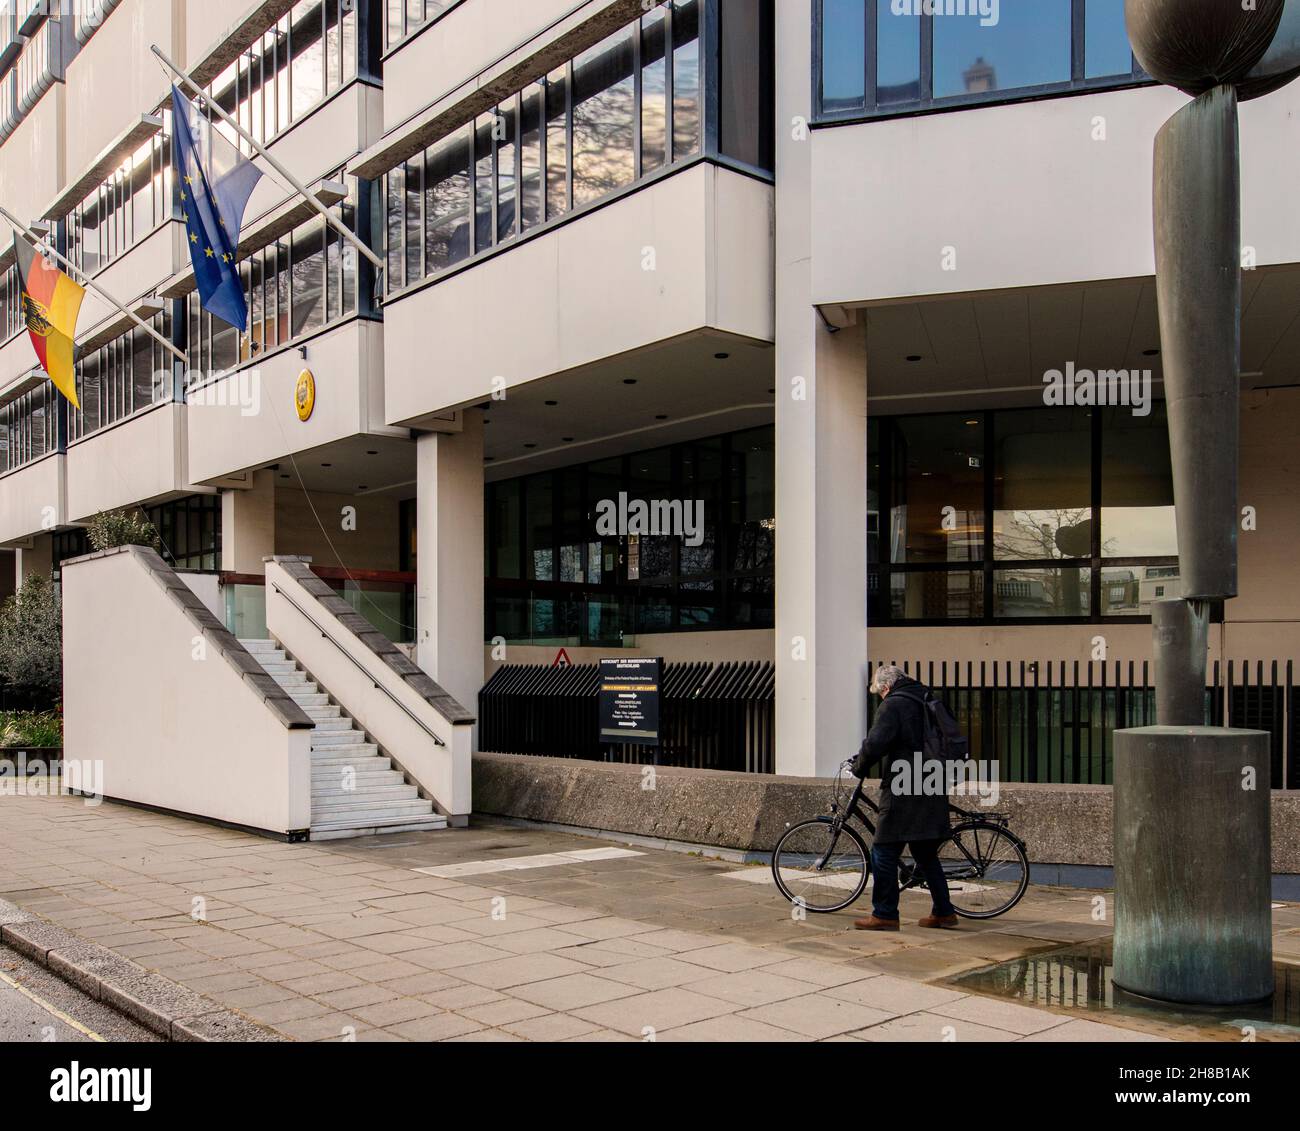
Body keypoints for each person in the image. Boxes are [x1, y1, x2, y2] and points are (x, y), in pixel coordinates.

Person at [850, 665, 958, 931]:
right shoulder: (928, 698)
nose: (881, 698)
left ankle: (885, 914)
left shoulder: (894, 704)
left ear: (885, 687)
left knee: (883, 851)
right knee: (925, 852)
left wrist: (859, 767)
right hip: (933, 781)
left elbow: (876, 743)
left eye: (879, 693)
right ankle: (944, 912)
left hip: (904, 786)